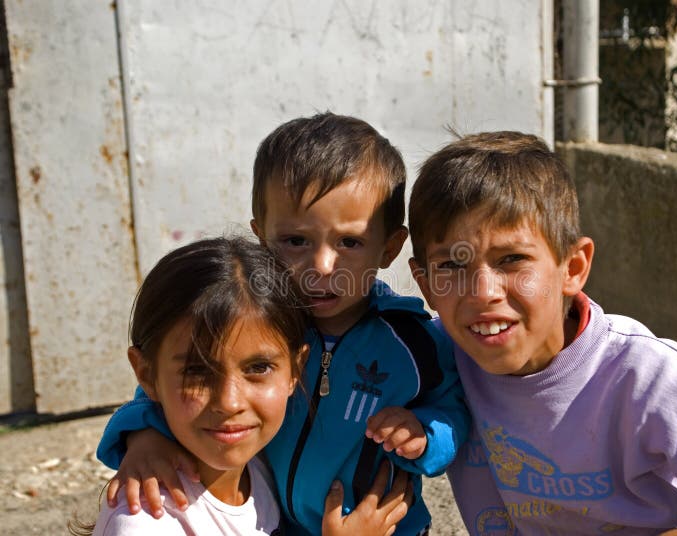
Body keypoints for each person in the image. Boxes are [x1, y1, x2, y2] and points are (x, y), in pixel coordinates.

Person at [406, 131, 677, 535]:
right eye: (451, 267)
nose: (482, 293)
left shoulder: (642, 376)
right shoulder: (427, 359)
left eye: (511, 260)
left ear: (572, 268)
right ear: (426, 285)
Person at [95, 113, 470, 535]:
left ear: (389, 247)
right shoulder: (255, 324)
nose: (322, 267)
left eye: (349, 242)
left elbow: (455, 407)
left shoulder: (413, 341)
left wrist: (425, 437)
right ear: (261, 236)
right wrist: (143, 438)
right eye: (295, 241)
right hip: (271, 524)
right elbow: (174, 384)